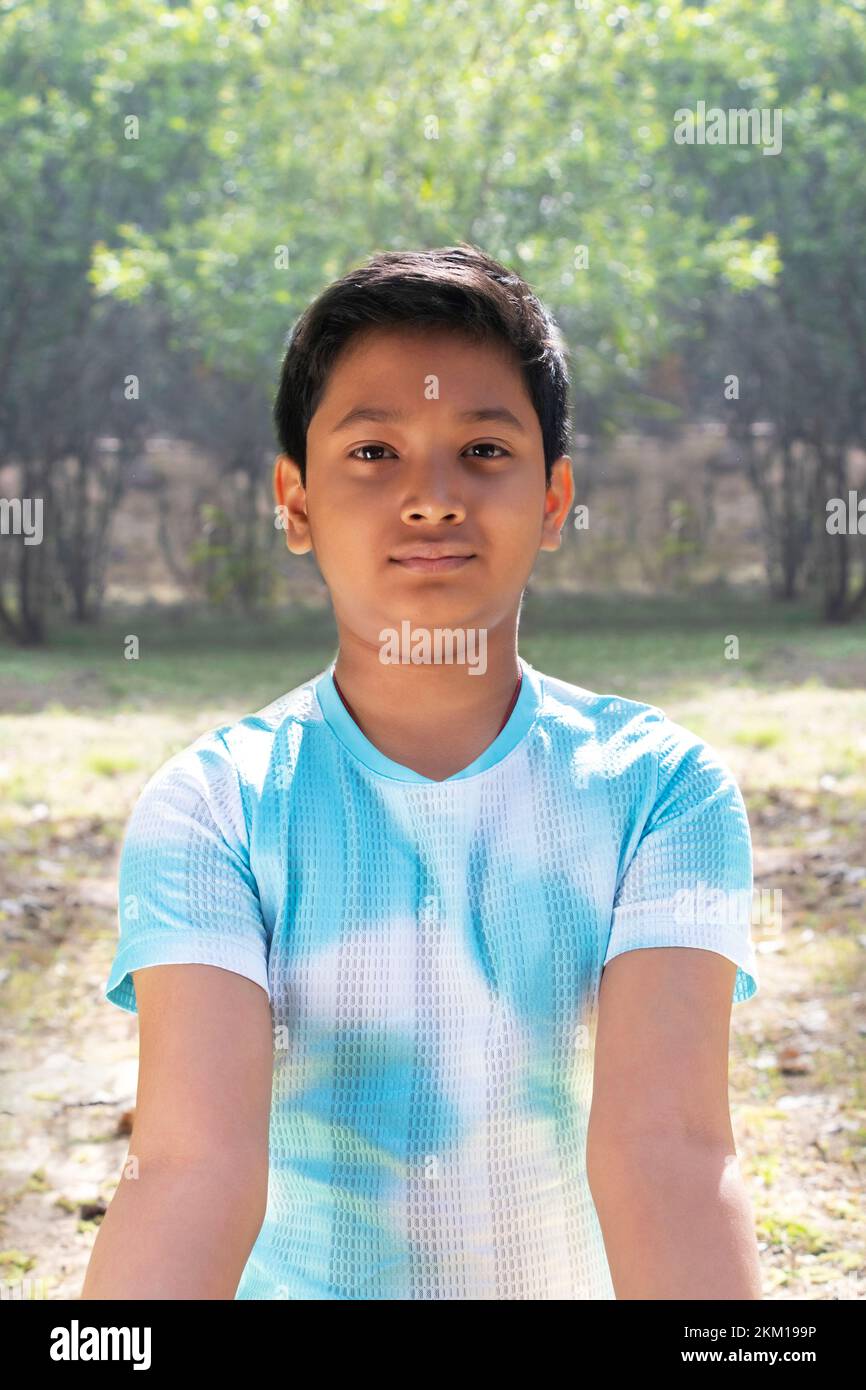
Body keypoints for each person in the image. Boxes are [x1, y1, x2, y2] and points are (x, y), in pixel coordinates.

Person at [82, 243, 761, 1301]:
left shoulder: (661, 792)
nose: (432, 497)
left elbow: (668, 1153)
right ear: (295, 503)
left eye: (484, 448)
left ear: (551, 497)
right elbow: (189, 1170)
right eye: (372, 454)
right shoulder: (213, 806)